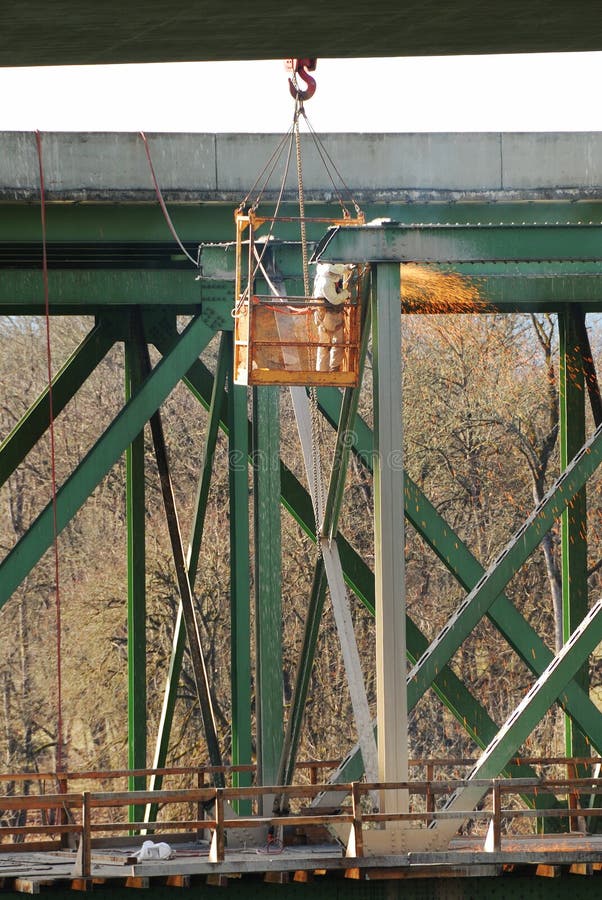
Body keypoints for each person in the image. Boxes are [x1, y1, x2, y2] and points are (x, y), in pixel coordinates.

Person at [312, 263, 350, 373]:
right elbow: (335, 299)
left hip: (323, 314)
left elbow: (339, 269)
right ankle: (333, 368)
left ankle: (322, 370)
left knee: (325, 343)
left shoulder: (322, 276)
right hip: (329, 314)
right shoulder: (327, 283)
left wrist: (347, 268)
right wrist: (346, 293)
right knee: (336, 341)